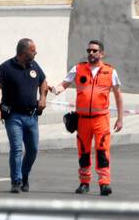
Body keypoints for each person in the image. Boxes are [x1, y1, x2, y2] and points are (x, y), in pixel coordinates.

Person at [51, 40, 124, 195]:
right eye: (89, 50)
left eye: (94, 51)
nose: (91, 53)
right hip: (83, 119)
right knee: (83, 151)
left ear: (101, 53)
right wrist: (54, 89)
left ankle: (104, 183)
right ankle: (84, 183)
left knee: (102, 151)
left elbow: (118, 95)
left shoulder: (110, 71)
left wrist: (120, 118)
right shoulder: (78, 69)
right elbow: (64, 84)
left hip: (101, 119)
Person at [0, 38, 49, 193]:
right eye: (33, 50)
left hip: (32, 116)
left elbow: (43, 82)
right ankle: (16, 181)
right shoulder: (5, 68)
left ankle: (24, 176)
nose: (35, 52)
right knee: (17, 149)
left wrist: (43, 98)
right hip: (13, 116)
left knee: (33, 150)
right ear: (24, 52)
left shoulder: (34, 66)